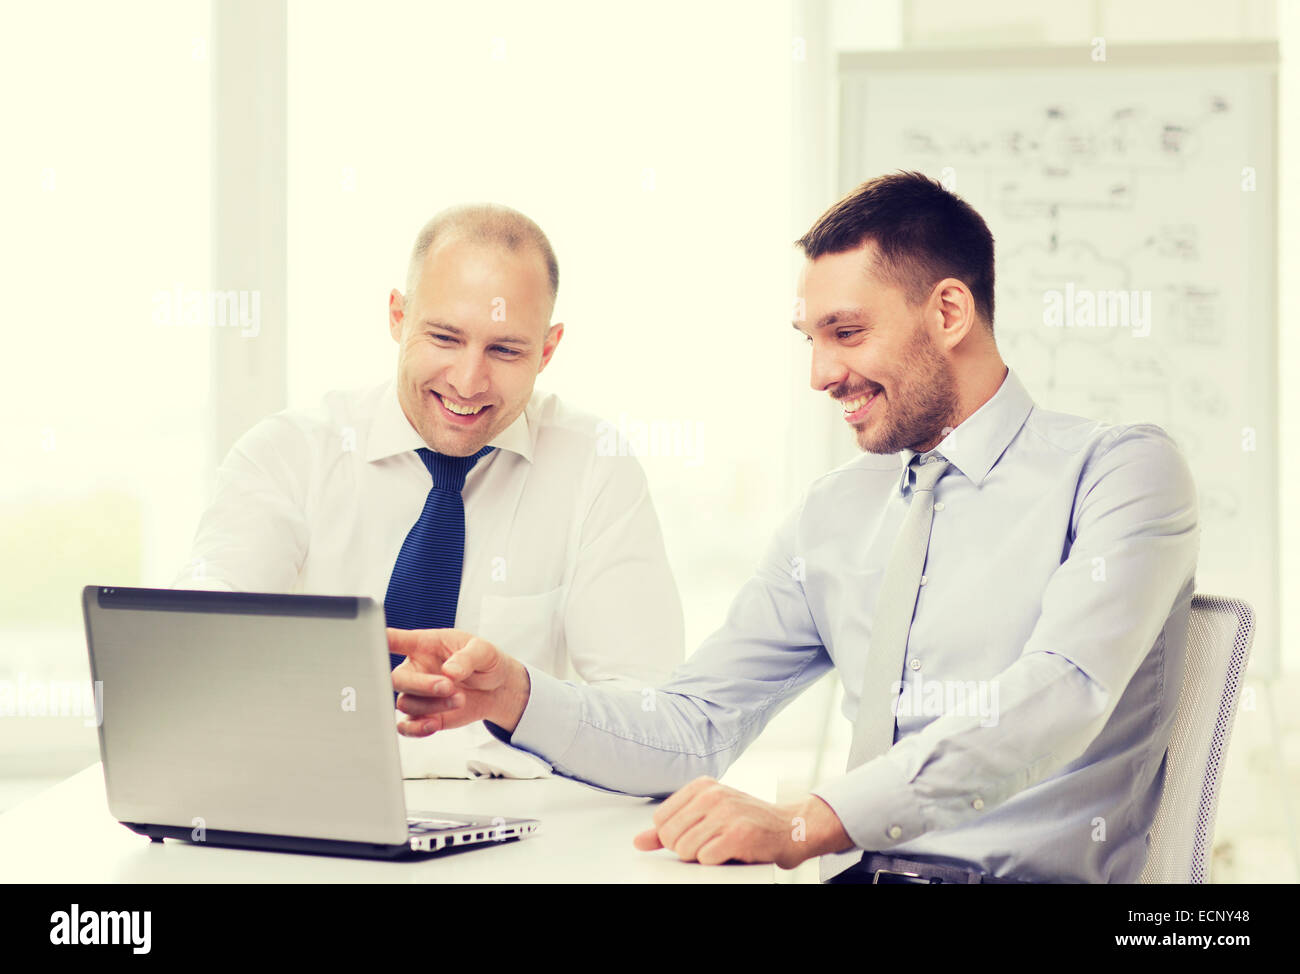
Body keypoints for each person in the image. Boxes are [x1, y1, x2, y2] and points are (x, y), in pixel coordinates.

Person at [390, 172, 1199, 883]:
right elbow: (691, 727)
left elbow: (1059, 696)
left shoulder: (1120, 472)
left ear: (949, 310)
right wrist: (516, 694)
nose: (821, 374)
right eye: (811, 340)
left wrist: (807, 822)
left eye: (846, 333)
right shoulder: (835, 514)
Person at [175, 203, 684, 773]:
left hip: (517, 834)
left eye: (505, 349)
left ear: (547, 349)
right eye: (445, 338)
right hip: (315, 807)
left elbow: (654, 724)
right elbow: (201, 639)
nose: (468, 381)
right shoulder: (289, 454)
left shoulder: (594, 467)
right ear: (397, 316)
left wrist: (518, 696)